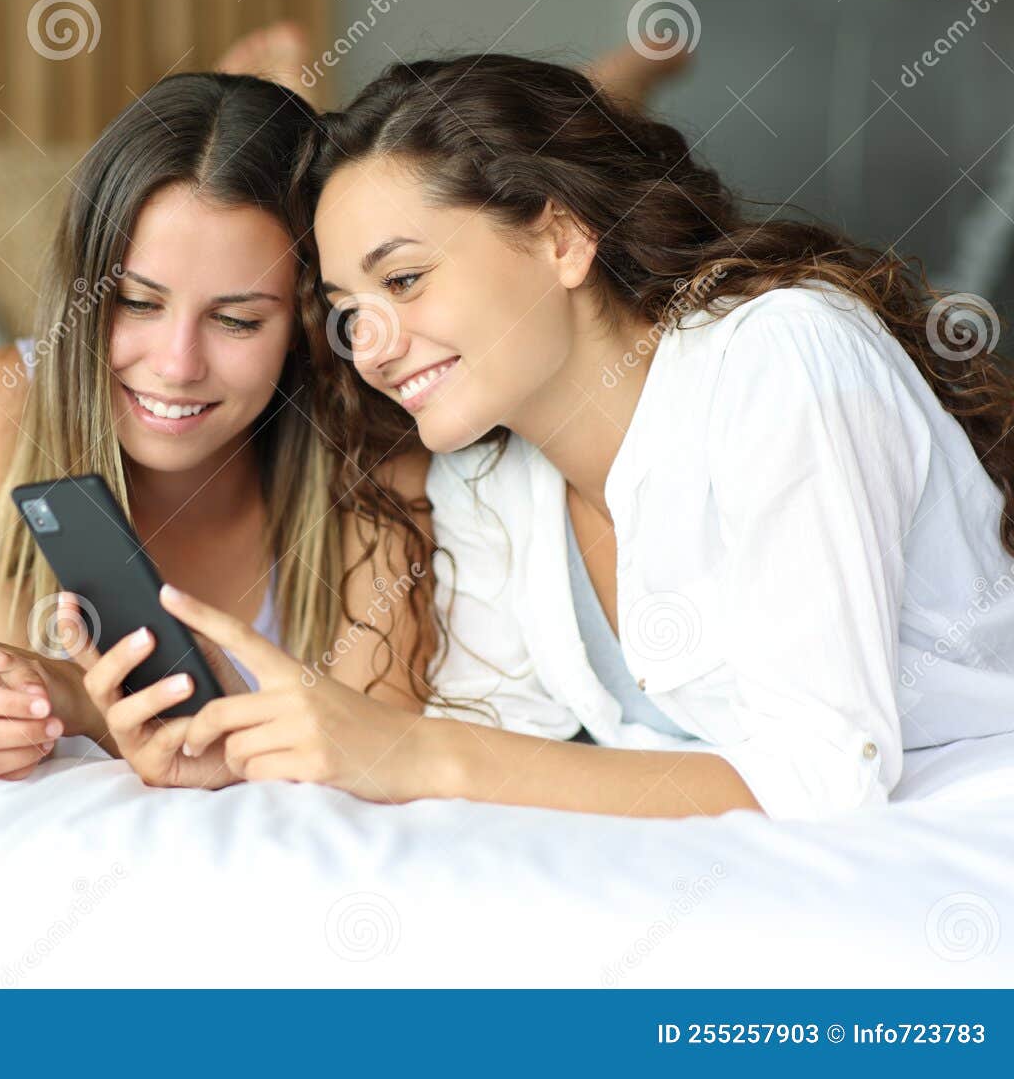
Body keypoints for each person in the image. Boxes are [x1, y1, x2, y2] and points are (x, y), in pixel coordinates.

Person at [79, 51, 1014, 821]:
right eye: (345, 311)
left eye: (403, 281)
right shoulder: (488, 469)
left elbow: (825, 781)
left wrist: (416, 751)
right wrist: (248, 759)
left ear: (563, 238)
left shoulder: (781, 359)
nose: (371, 346)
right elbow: (490, 748)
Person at [0, 70, 434, 780]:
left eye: (236, 319)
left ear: (305, 321)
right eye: (136, 301)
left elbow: (377, 758)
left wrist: (85, 698)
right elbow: (3, 712)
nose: (176, 364)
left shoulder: (376, 452)